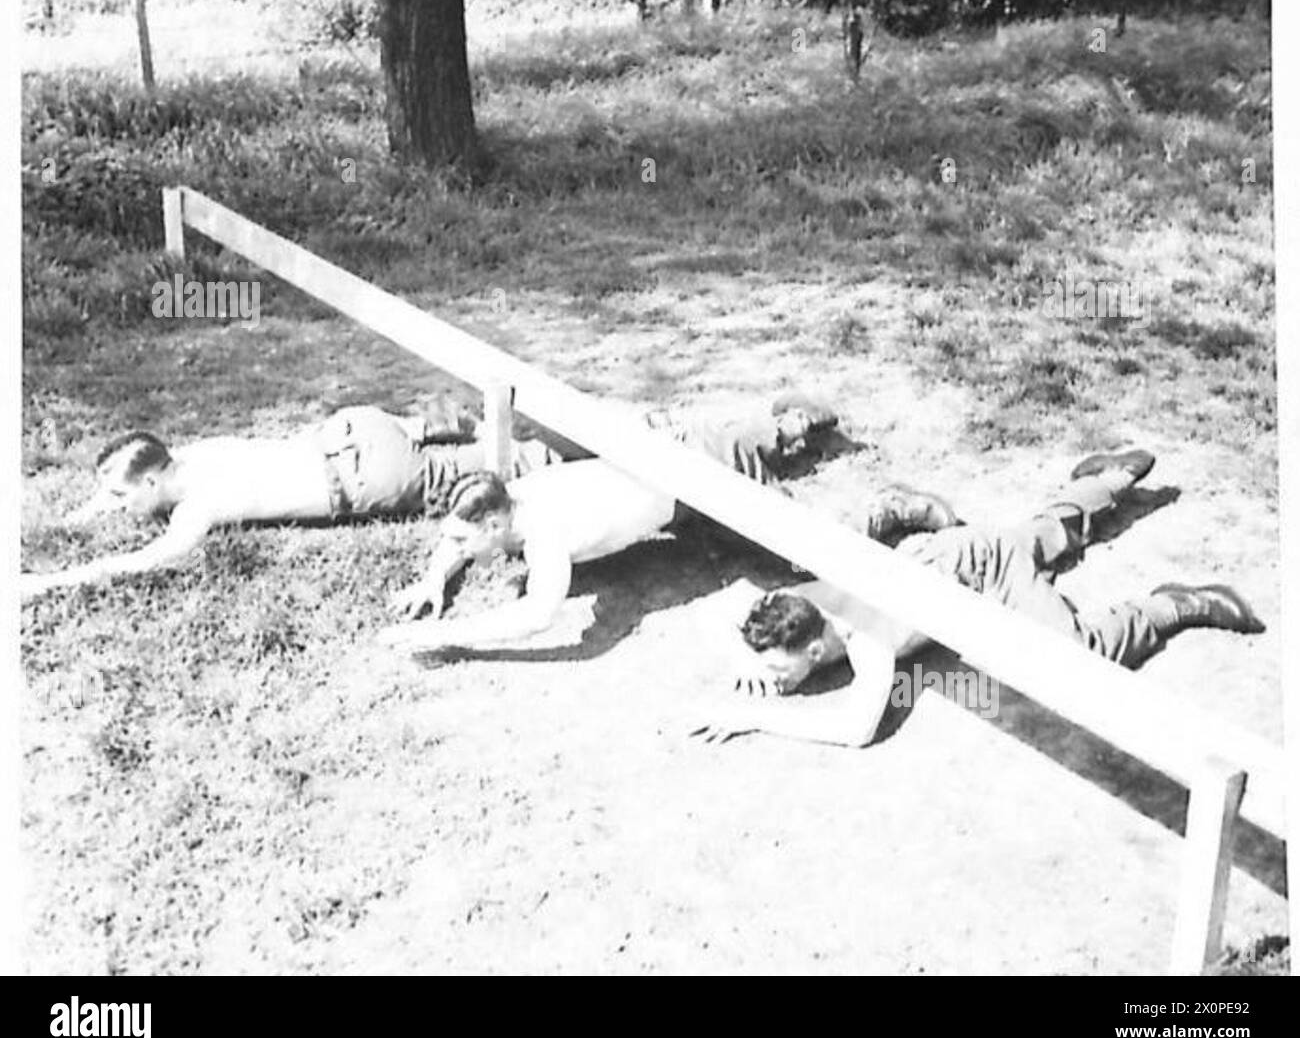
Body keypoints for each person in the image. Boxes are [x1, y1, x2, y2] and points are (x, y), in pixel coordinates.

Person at [693, 448, 1265, 747]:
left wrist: (757, 716)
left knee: (1079, 655)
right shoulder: (789, 604)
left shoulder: (864, 638)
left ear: (815, 650)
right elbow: (745, 624)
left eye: (779, 667)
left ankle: (1172, 605)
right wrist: (750, 665)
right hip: (944, 557)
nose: (774, 675)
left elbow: (856, 729)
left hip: (979, 576)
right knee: (1041, 535)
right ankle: (1109, 477)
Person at [20, 392, 844, 597]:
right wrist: (89, 505)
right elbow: (135, 495)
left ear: (158, 478)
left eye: (123, 498)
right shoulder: (190, 455)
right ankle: (758, 426)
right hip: (358, 429)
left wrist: (49, 581)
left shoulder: (197, 507)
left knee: (512, 474)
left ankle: (764, 435)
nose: (118, 510)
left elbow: (151, 556)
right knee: (515, 434)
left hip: (371, 479)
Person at [377, 459, 955, 652]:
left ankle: (888, 510)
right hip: (663, 489)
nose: (452, 549)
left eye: (461, 542)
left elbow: (538, 616)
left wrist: (438, 637)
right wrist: (434, 580)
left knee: (804, 557)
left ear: (497, 523)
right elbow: (458, 529)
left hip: (692, 493)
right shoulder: (509, 498)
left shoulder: (543, 533)